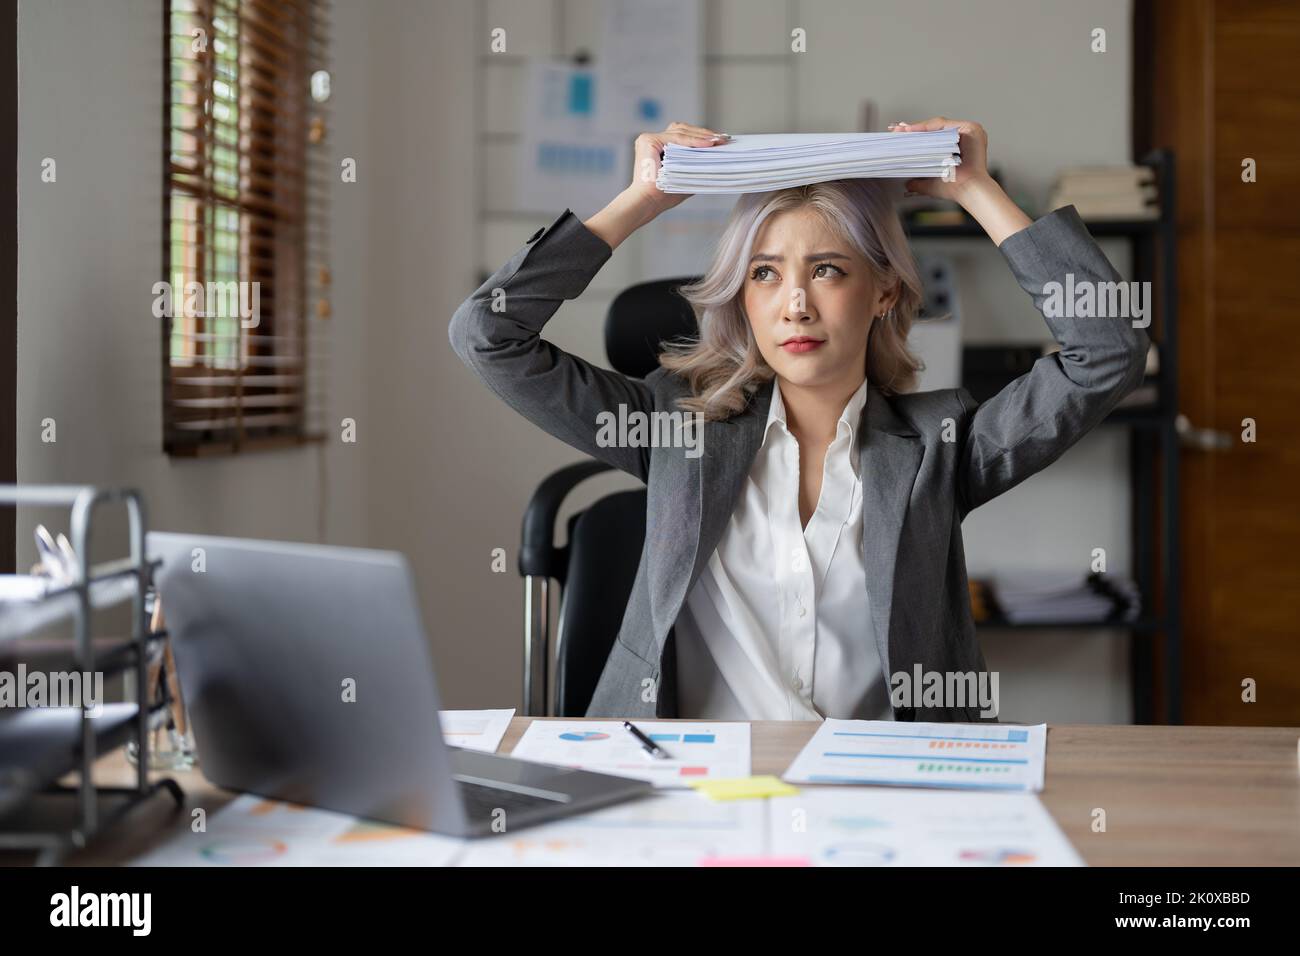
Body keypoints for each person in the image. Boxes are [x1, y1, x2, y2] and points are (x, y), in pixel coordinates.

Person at [450, 118, 1149, 721]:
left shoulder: (941, 447)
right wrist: (641, 201)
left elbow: (1109, 351)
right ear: (741, 299)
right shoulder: (673, 427)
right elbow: (488, 335)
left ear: (883, 291)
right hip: (693, 784)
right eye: (765, 274)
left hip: (881, 790)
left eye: (826, 270)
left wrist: (977, 189)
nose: (795, 305)